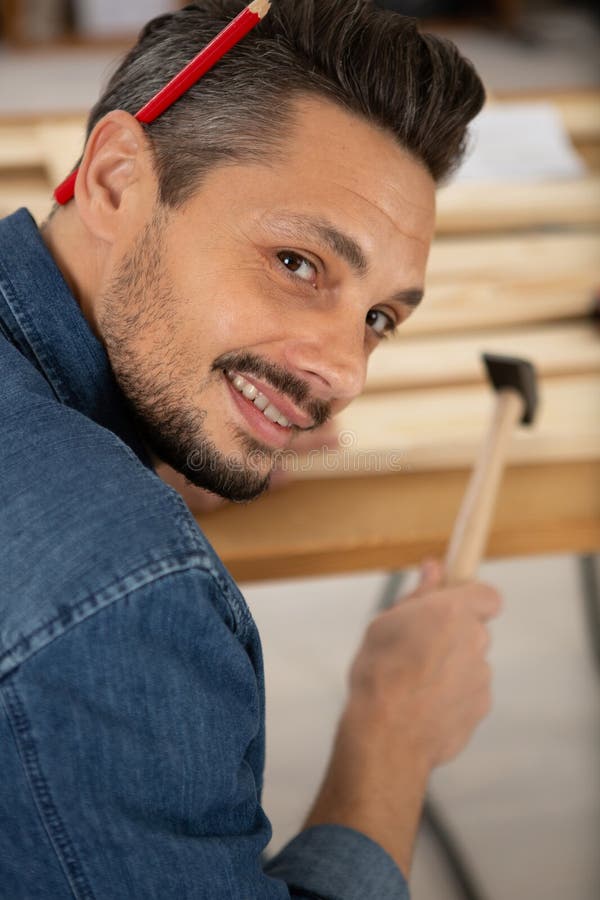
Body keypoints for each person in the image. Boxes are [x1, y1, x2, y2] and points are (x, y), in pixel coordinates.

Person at [0, 1, 501, 897]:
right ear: (116, 179)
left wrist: (154, 447)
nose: (345, 374)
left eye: (379, 318)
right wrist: (392, 739)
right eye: (298, 264)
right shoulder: (130, 590)